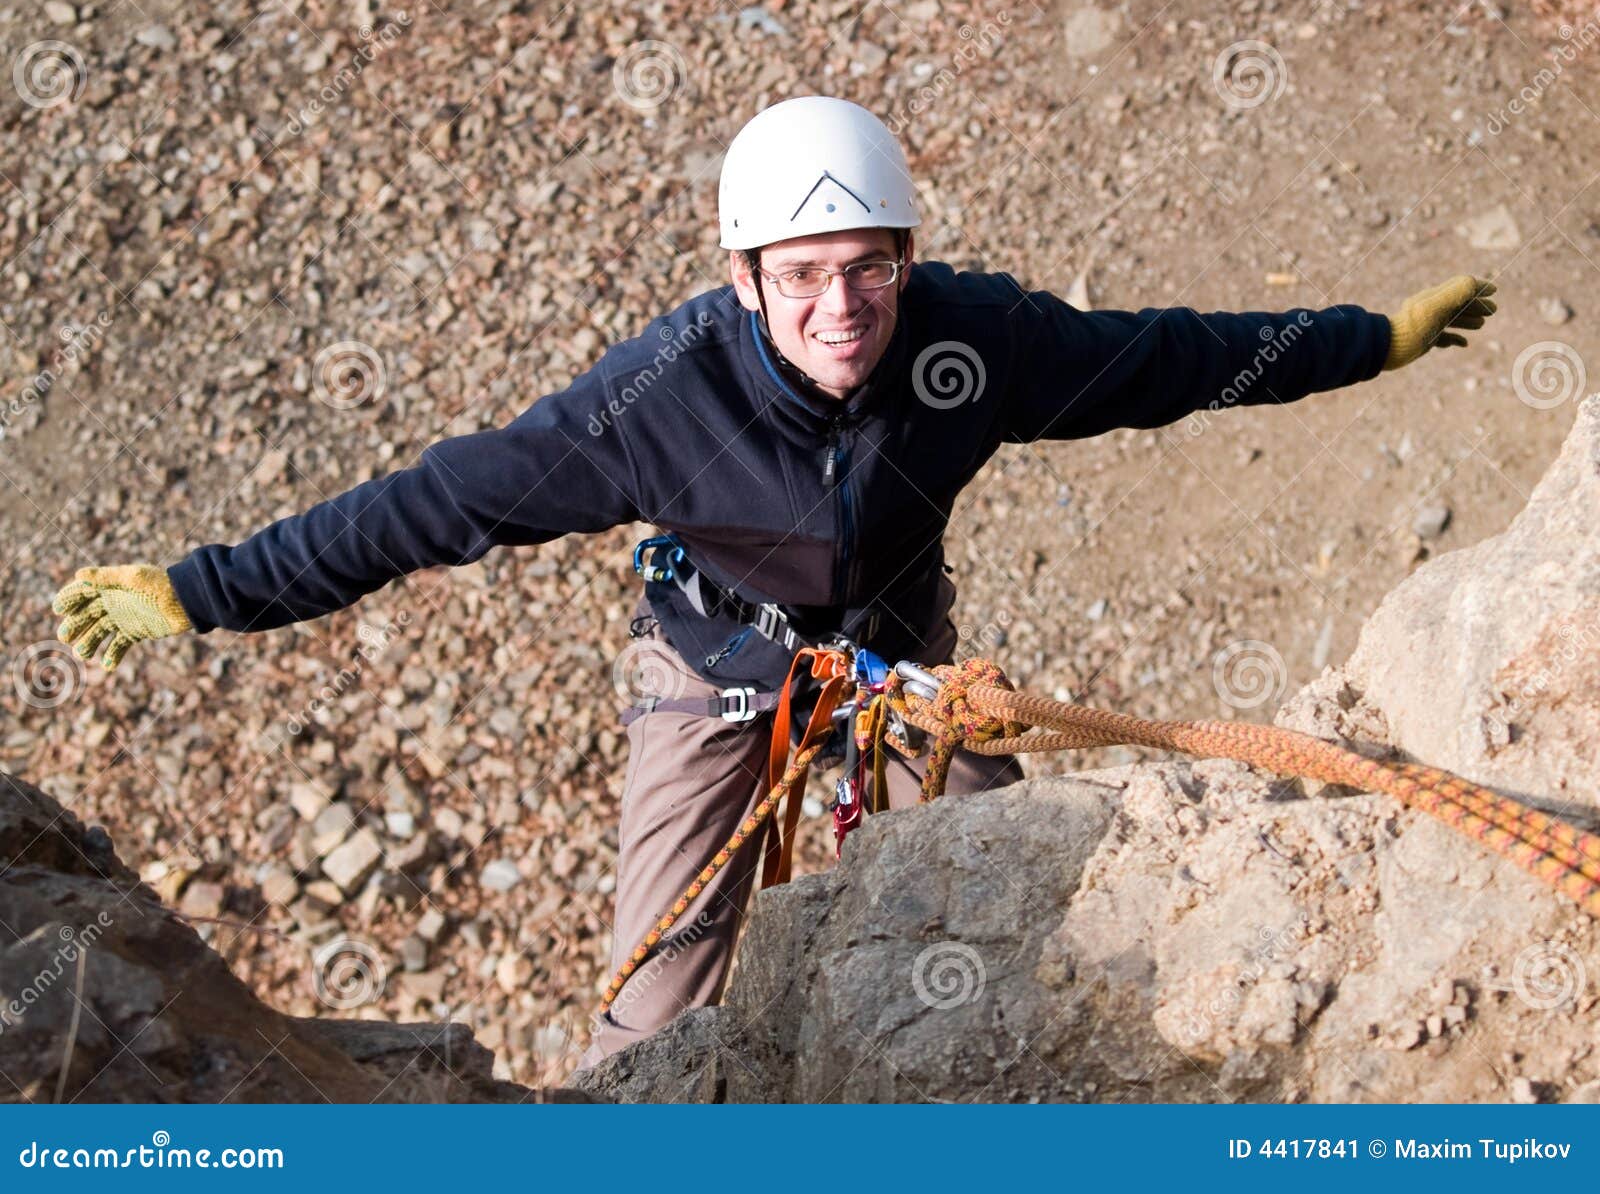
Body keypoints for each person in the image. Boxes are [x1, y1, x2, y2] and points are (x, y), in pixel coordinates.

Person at [49, 95, 1498, 1067]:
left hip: (899, 668)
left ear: (907, 261)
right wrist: (205, 588)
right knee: (657, 1016)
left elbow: (1175, 356)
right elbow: (436, 504)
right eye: (801, 276)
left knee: (1040, 883)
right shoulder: (658, 403)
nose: (839, 310)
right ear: (742, 278)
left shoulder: (972, 342)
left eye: (866, 270)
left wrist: (1368, 337)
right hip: (709, 678)